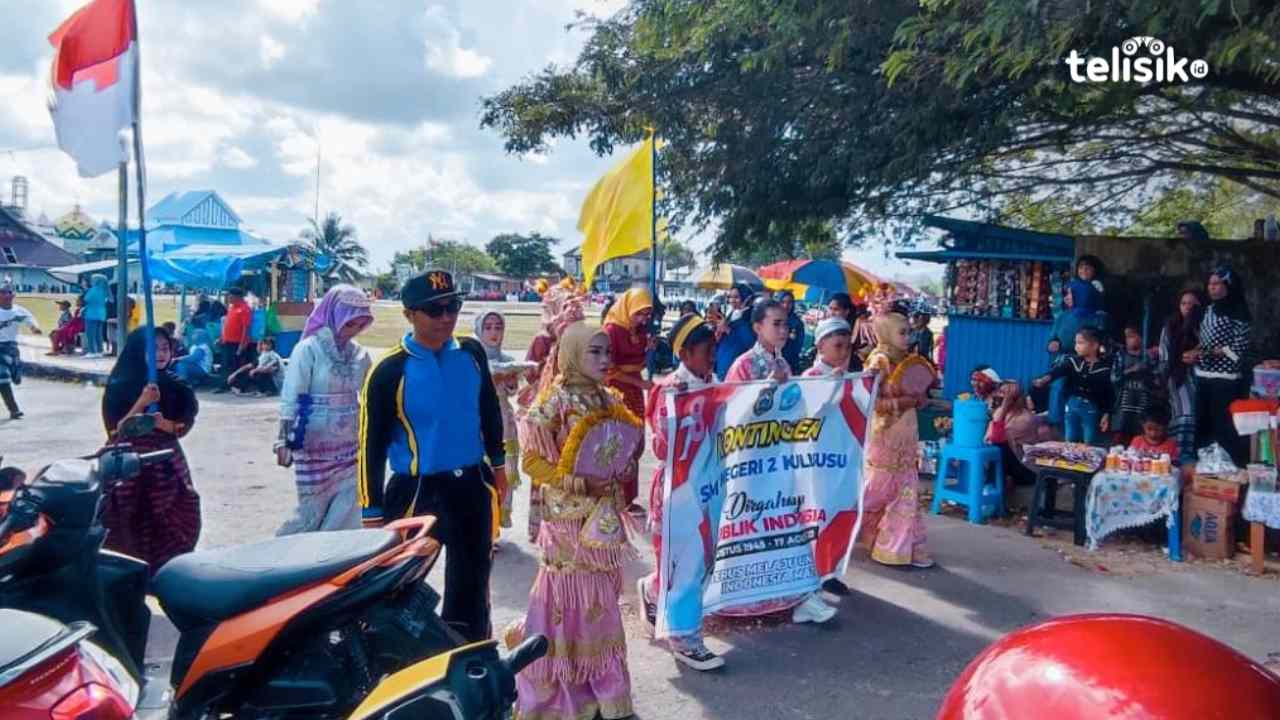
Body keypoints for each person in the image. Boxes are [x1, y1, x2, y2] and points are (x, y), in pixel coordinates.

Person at [357, 270, 506, 642]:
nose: (445, 318)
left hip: (471, 484)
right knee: (398, 586)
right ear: (409, 314)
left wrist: (499, 467)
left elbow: (488, 409)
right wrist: (372, 511)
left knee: (472, 583)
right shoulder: (390, 370)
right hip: (417, 492)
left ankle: (468, 657)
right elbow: (370, 444)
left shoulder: (471, 353)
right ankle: (394, 662)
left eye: (452, 307)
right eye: (433, 310)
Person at [510, 322, 640, 718]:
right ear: (571, 355)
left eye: (607, 353)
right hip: (567, 522)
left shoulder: (609, 400)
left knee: (602, 602)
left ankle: (606, 691)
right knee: (570, 601)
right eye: (594, 352)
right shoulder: (554, 401)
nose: (605, 360)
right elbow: (532, 460)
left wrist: (622, 467)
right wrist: (575, 479)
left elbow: (622, 448)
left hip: (603, 518)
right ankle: (564, 693)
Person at [723, 300, 836, 624]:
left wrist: (830, 387)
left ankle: (800, 597)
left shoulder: (784, 364)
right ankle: (740, 599)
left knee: (788, 526)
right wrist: (768, 386)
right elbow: (733, 414)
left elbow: (795, 409)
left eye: (786, 324)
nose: (784, 330)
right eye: (776, 323)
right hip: (750, 464)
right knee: (749, 528)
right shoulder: (743, 366)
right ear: (757, 327)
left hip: (780, 462)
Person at [636, 314, 724, 671]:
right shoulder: (670, 389)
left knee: (699, 557)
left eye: (714, 351)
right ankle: (684, 636)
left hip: (708, 487)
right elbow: (660, 447)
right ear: (685, 353)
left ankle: (654, 590)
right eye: (706, 352)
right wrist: (681, 411)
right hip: (677, 488)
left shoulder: (715, 383)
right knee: (685, 563)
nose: (712, 359)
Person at [100, 326, 201, 574]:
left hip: (165, 462)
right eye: (153, 348)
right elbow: (116, 431)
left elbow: (181, 426)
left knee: (174, 517)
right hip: (126, 463)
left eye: (165, 348)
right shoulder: (120, 384)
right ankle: (128, 578)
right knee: (126, 520)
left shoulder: (177, 386)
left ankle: (166, 574)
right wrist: (142, 402)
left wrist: (161, 423)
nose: (161, 354)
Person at [276, 285, 373, 534]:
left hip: (349, 444)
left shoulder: (360, 355)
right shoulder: (308, 349)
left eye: (361, 325)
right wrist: (283, 440)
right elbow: (292, 396)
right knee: (312, 510)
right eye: (350, 324)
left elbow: (369, 395)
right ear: (334, 317)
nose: (354, 331)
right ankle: (284, 556)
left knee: (349, 505)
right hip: (313, 443)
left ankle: (333, 559)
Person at [861, 311, 934, 569]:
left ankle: (900, 548)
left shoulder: (908, 360)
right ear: (885, 334)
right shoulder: (877, 361)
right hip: (884, 437)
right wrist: (903, 402)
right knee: (875, 492)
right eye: (901, 332)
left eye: (908, 332)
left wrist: (920, 400)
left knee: (905, 492)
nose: (908, 337)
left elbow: (918, 393)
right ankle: (850, 527)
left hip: (906, 436)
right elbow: (870, 403)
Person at [522, 283, 585, 542]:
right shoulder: (543, 338)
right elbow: (528, 371)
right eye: (567, 308)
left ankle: (574, 527)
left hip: (577, 408)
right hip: (549, 414)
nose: (573, 315)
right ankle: (550, 531)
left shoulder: (580, 339)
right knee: (549, 465)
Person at [1186, 266, 1252, 466]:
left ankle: (1229, 467)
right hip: (1203, 374)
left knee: (1223, 424)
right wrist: (1195, 352)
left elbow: (1238, 350)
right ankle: (1204, 465)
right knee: (1203, 423)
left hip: (1226, 378)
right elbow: (1205, 340)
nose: (1211, 288)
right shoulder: (1209, 309)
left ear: (1228, 286)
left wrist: (1216, 351)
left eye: (1217, 284)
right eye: (1210, 284)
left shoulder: (1239, 312)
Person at [602, 287, 656, 512]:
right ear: (628, 308)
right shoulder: (611, 330)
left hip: (634, 391)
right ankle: (611, 496)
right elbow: (609, 370)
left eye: (647, 314)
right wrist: (641, 383)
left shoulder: (642, 332)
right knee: (617, 443)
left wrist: (649, 351)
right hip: (616, 392)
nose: (643, 319)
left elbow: (639, 364)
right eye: (639, 313)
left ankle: (628, 498)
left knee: (635, 443)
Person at [474, 310, 523, 533]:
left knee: (505, 473)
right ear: (479, 330)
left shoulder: (508, 360)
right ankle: (483, 527)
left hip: (504, 420)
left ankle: (496, 526)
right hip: (479, 422)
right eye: (488, 327)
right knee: (481, 475)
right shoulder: (472, 359)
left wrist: (510, 380)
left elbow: (513, 392)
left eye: (498, 327)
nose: (494, 332)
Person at [1033, 328, 1113, 444]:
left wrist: (1106, 414)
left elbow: (1108, 394)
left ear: (1094, 345)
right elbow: (1057, 372)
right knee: (1070, 438)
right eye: (1076, 343)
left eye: (1080, 343)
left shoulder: (1104, 369)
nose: (1076, 346)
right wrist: (1043, 380)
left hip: (1091, 409)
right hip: (1071, 405)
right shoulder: (1072, 362)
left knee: (1089, 439)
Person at [1156, 290, 1204, 463]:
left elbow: (1210, 348)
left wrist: (1198, 354)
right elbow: (1164, 355)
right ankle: (1181, 456)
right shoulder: (1171, 326)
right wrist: (1164, 378)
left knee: (1196, 416)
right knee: (1185, 414)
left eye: (1191, 303)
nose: (1187, 307)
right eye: (1183, 303)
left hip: (1200, 376)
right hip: (1177, 376)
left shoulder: (1204, 326)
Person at [985, 381, 1045, 491]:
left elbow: (995, 437)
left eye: (1004, 393)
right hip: (1010, 465)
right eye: (1000, 392)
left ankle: (994, 494)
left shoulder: (1024, 418)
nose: (1000, 396)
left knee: (999, 448)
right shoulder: (1001, 412)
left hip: (1027, 470)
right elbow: (987, 439)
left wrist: (1004, 406)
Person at [0, 285, 42, 419]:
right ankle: (14, 410)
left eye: (9, 293)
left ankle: (16, 372)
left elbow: (29, 319)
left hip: (11, 347)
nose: (7, 296)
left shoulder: (19, 311)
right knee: (3, 376)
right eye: (3, 293)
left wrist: (34, 328)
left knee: (15, 378)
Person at [1111, 325, 1154, 443]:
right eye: (1126, 337)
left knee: (1141, 439)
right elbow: (1114, 378)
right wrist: (1132, 370)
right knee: (1119, 440)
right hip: (1123, 406)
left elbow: (1157, 381)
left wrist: (1147, 371)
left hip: (1143, 404)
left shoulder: (1149, 357)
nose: (1128, 339)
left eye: (1131, 336)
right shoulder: (1120, 355)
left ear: (1141, 337)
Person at [714, 283, 757, 379]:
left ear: (745, 298)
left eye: (736, 297)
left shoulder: (751, 318)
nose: (732, 301)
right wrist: (718, 335)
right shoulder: (730, 315)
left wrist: (728, 330)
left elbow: (749, 343)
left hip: (739, 369)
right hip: (723, 365)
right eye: (730, 297)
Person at [216, 287, 253, 390]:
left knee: (238, 364)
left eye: (230, 296)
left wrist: (242, 344)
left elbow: (246, 328)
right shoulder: (232, 308)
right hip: (227, 341)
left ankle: (239, 386)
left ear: (237, 297)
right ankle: (224, 385)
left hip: (237, 343)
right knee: (225, 364)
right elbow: (227, 324)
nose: (228, 298)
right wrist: (221, 337)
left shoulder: (245, 309)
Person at [777, 290, 806, 370]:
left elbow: (798, 345)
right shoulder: (773, 320)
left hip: (791, 362)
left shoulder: (797, 323)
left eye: (789, 302)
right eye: (783, 302)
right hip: (773, 361)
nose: (786, 305)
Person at [82, 274, 109, 358]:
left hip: (91, 314)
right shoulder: (104, 290)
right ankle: (100, 351)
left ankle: (92, 351)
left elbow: (86, 299)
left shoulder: (93, 290)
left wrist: (85, 289)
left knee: (90, 333)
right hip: (101, 314)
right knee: (98, 333)